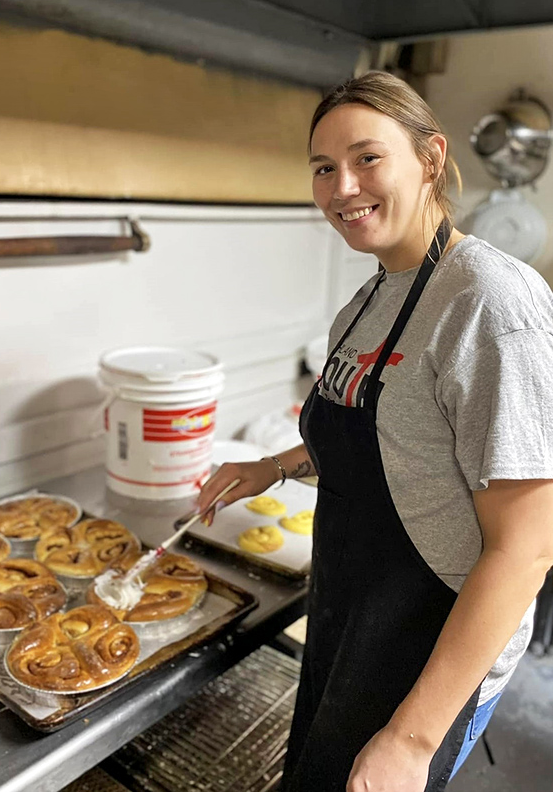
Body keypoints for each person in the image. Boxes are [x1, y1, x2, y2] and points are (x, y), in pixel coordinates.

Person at [197, 71, 553, 792]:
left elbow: (527, 547)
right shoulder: (366, 300)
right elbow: (392, 439)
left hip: (435, 638)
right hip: (350, 608)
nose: (341, 187)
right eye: (323, 168)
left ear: (430, 158)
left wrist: (412, 737)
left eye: (367, 158)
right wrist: (277, 463)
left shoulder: (489, 302)